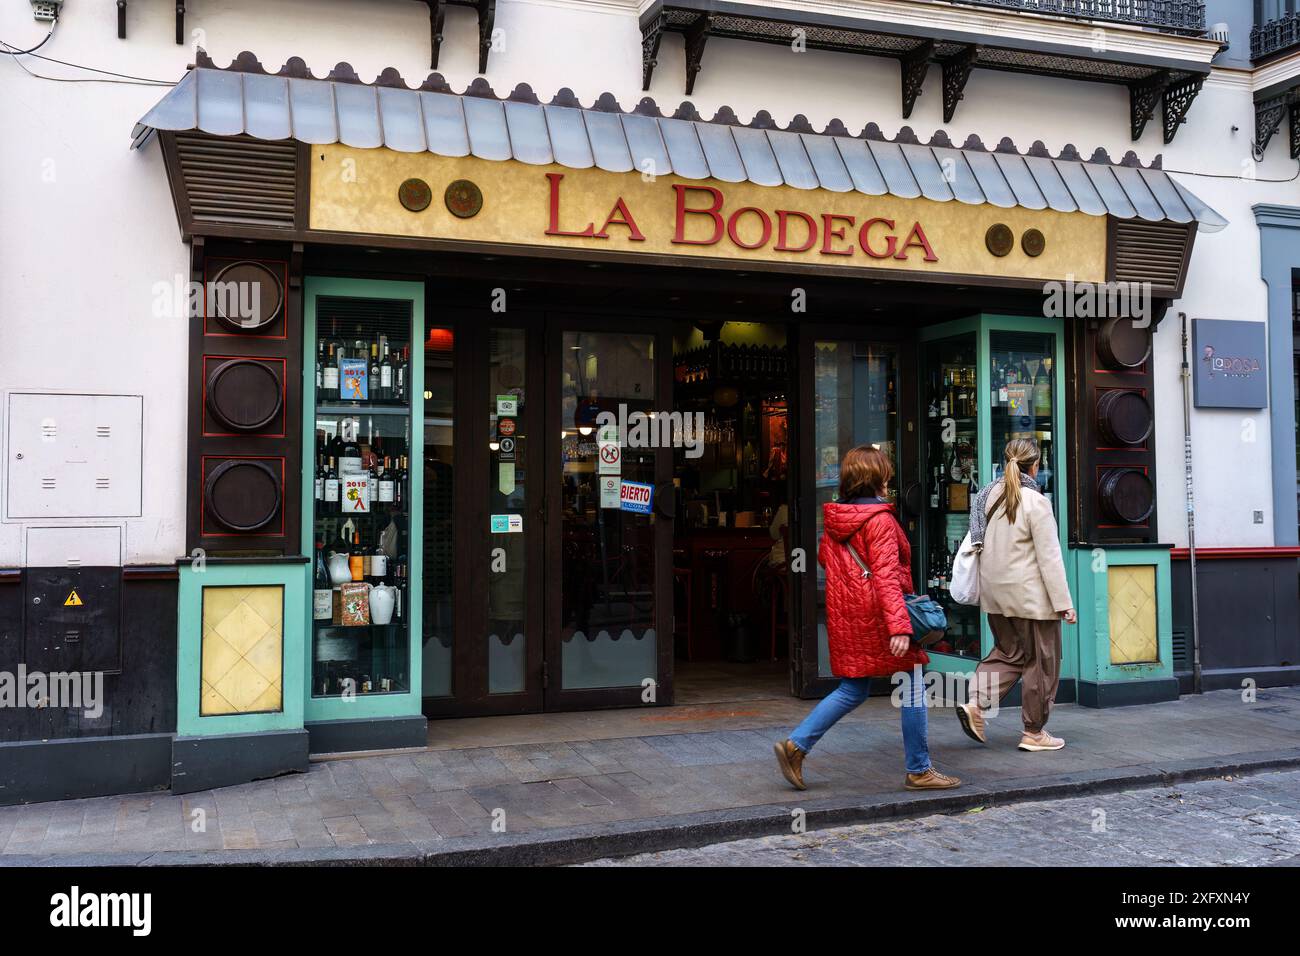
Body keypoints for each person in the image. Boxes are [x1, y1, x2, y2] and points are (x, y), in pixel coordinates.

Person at [773, 446, 960, 792]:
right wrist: (900, 626)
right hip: (880, 618)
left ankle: (796, 745)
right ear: (876, 479)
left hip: (849, 618)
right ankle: (919, 770)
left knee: (853, 688)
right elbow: (887, 576)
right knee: (914, 684)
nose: (889, 479)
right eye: (886, 473)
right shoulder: (882, 521)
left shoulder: (835, 519)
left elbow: (826, 562)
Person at [955, 438, 1077, 752]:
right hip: (1032, 600)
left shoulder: (987, 496)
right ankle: (1034, 733)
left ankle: (976, 705)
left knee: (1009, 655)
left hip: (996, 596)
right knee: (1041, 662)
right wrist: (1064, 603)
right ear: (1035, 466)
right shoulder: (1036, 502)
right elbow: (1049, 557)